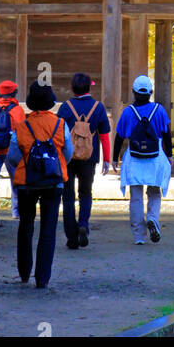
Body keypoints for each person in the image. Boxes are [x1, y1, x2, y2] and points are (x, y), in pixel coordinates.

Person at [6, 81, 72, 289]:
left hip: (27, 181)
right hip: (53, 181)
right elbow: (68, 153)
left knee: (25, 225)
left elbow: (13, 156)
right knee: (48, 228)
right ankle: (42, 277)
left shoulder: (22, 127)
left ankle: (24, 271)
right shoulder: (61, 125)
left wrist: (27, 163)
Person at [113, 74, 172, 246]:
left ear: (134, 92)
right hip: (155, 157)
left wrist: (115, 157)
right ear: (150, 92)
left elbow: (119, 136)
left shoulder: (128, 112)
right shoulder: (159, 110)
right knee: (154, 192)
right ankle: (153, 218)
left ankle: (139, 235)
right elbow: (167, 134)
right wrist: (169, 155)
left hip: (134, 157)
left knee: (136, 197)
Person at [58, 72, 111, 250]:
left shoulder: (65, 107)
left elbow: (58, 135)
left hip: (67, 157)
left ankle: (71, 237)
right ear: (89, 87)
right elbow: (104, 135)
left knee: (68, 196)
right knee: (86, 193)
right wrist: (107, 159)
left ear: (73, 88)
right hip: (90, 156)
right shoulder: (98, 107)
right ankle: (83, 226)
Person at [0, 80, 25, 221]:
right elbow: (21, 131)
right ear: (14, 93)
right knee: (15, 179)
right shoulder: (17, 111)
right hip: (11, 150)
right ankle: (16, 211)